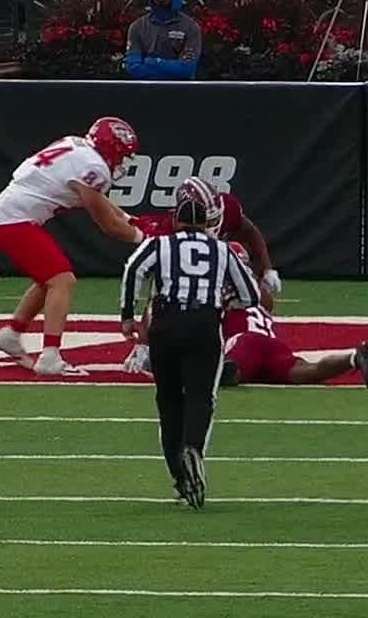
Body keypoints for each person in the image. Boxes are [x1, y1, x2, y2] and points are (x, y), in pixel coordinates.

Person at [119, 186, 262, 510]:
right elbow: (250, 294)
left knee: (168, 402)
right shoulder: (222, 250)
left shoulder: (161, 244)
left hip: (166, 324)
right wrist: (225, 303)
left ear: (176, 220)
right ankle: (193, 448)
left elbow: (133, 270)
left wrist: (128, 316)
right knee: (201, 397)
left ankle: (180, 481)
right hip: (203, 324)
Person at [0, 117, 145, 376]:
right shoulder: (93, 168)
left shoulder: (78, 147)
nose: (122, 162)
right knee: (62, 281)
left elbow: (99, 202)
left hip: (7, 216)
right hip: (13, 221)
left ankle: (12, 334)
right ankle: (50, 357)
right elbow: (108, 225)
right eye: (122, 155)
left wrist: (130, 220)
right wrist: (142, 238)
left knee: (48, 279)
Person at [120, 178, 282, 374]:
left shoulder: (227, 208)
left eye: (216, 219)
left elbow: (249, 230)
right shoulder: (167, 232)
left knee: (260, 301)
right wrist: (144, 340)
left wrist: (267, 269)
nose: (212, 224)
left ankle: (238, 335)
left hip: (221, 272)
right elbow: (156, 288)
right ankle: (150, 346)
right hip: (186, 288)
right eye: (208, 219)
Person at [218, 242, 368, 389]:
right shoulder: (256, 291)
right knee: (308, 371)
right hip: (273, 344)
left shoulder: (222, 287)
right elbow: (266, 302)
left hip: (244, 341)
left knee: (225, 373)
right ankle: (353, 358)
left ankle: (225, 370)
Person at [125, 0, 201, 80]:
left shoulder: (190, 27)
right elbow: (132, 67)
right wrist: (167, 67)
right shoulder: (138, 26)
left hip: (180, 91)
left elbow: (187, 68)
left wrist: (153, 62)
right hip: (145, 91)